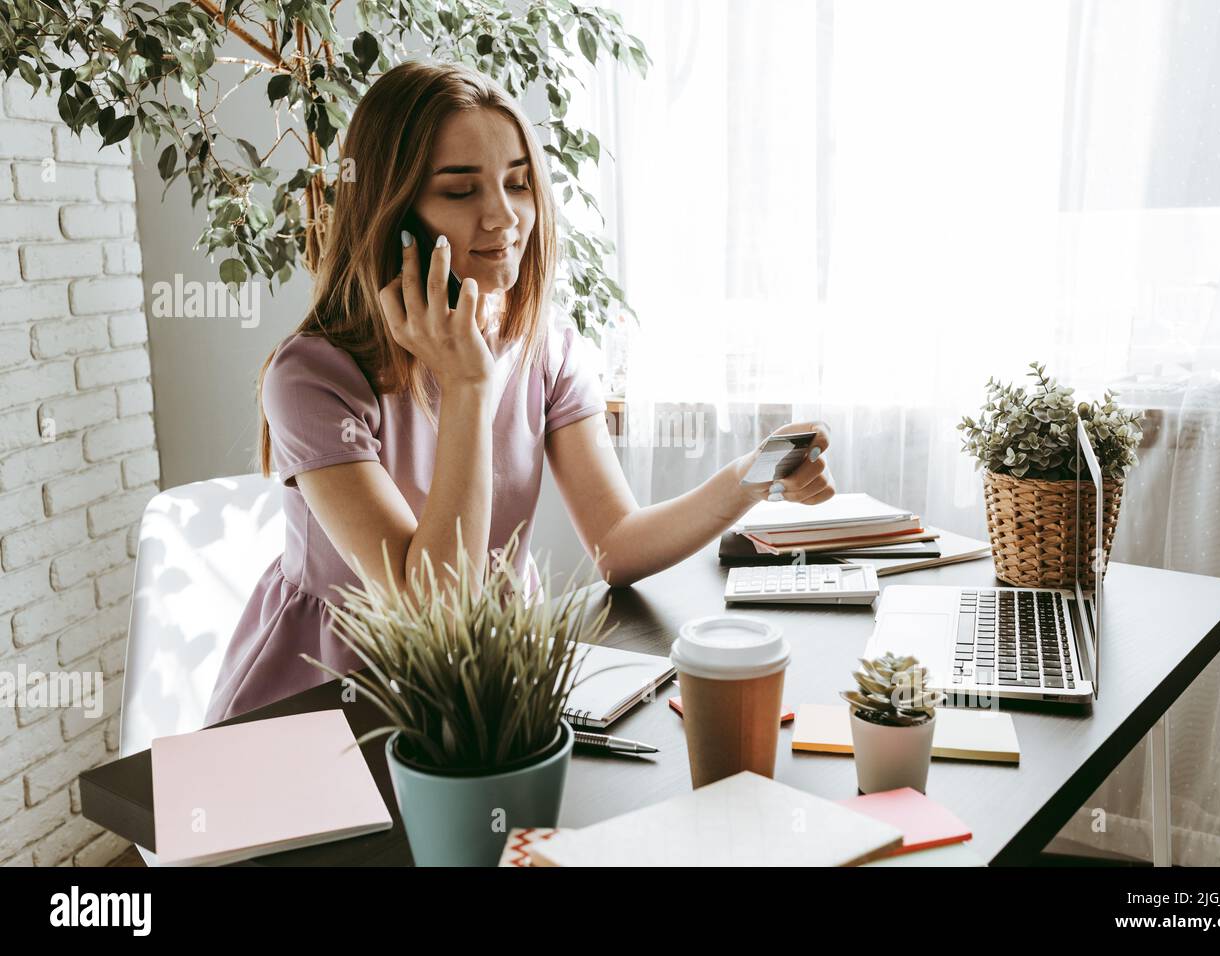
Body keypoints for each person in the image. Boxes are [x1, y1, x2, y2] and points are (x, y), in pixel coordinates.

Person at [204, 61, 835, 725]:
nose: (504, 216)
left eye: (518, 183)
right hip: (333, 702)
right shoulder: (312, 378)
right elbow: (434, 613)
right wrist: (469, 383)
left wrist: (751, 476)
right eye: (460, 190)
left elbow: (615, 544)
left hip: (494, 681)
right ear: (394, 214)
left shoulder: (547, 348)